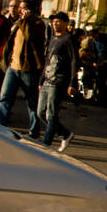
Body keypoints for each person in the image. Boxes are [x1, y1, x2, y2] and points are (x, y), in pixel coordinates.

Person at [0, 0, 46, 136]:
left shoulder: (37, 23)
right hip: (13, 67)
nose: (20, 10)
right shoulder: (18, 23)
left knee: (31, 101)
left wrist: (26, 19)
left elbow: (30, 37)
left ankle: (34, 130)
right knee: (4, 98)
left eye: (23, 8)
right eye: (20, 8)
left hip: (28, 68)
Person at [38, 12, 77, 150]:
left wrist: (73, 82)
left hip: (59, 80)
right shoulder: (53, 39)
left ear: (66, 23)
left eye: (59, 21)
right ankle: (65, 133)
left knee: (52, 113)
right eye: (54, 22)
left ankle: (46, 142)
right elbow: (47, 60)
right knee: (41, 112)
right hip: (47, 80)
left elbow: (74, 61)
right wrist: (41, 79)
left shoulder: (68, 40)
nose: (55, 24)